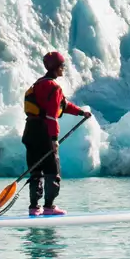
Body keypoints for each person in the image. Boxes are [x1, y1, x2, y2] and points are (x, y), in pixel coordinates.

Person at [22, 51, 90, 216]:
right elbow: (52, 116)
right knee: (52, 169)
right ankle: (49, 207)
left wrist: (81, 112)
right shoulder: (54, 87)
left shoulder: (38, 84)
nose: (64, 69)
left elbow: (64, 105)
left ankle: (33, 207)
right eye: (62, 66)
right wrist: (53, 139)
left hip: (30, 131)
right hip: (44, 132)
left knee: (36, 170)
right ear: (56, 67)